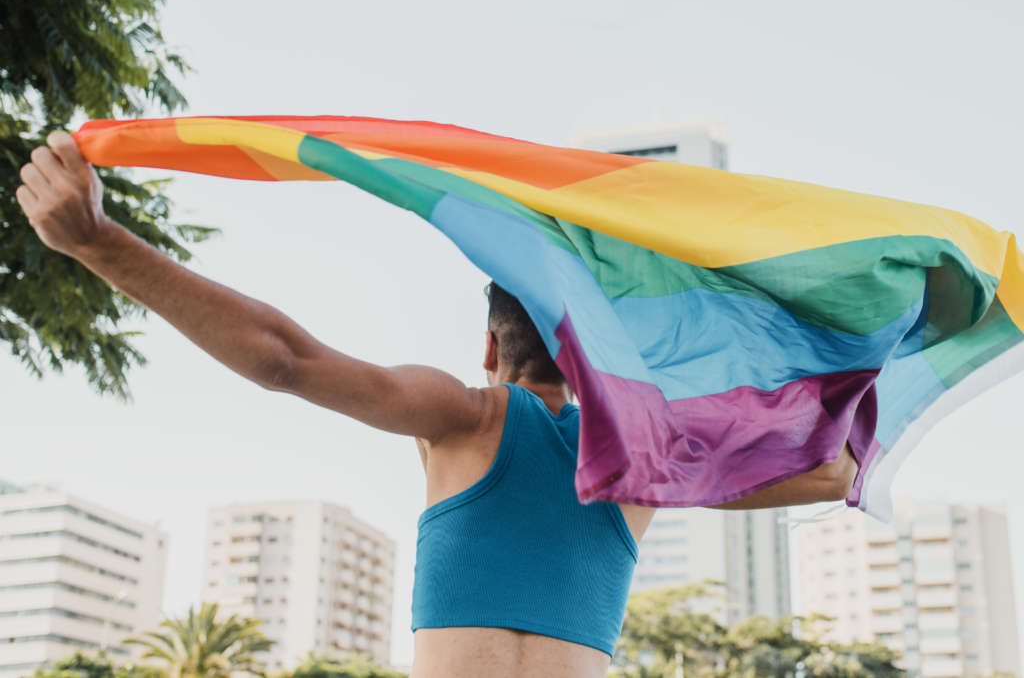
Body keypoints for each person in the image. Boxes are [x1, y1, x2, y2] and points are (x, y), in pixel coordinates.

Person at [17, 132, 859, 678]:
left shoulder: (469, 414)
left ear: (490, 349)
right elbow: (834, 473)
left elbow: (284, 360)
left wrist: (99, 242)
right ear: (599, 352)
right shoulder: (651, 458)